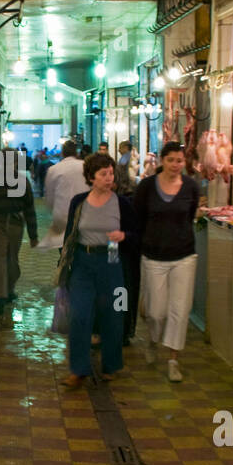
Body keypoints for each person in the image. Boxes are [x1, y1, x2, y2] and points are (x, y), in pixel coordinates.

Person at [59, 154, 138, 387]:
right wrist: (64, 261)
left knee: (114, 313)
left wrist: (124, 236)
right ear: (91, 177)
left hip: (112, 259)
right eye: (103, 174)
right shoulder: (79, 201)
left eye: (111, 173)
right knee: (80, 315)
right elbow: (70, 234)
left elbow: (136, 233)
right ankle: (78, 369)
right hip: (84, 259)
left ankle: (111, 364)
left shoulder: (121, 203)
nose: (108, 178)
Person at [132, 142, 200, 382]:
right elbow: (137, 218)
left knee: (179, 310)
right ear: (162, 161)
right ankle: (152, 340)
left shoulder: (191, 186)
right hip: (153, 255)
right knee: (156, 311)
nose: (175, 165)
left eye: (179, 161)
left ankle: (173, 359)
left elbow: (190, 216)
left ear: (184, 163)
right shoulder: (147, 187)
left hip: (184, 255)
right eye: (170, 160)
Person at [0, 150, 39, 317]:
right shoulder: (22, 181)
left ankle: (0, 298)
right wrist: (33, 236)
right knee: (12, 259)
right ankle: (9, 290)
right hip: (16, 223)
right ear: (16, 163)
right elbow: (29, 209)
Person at [42, 140, 87, 248]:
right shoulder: (86, 166)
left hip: (62, 214)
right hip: (84, 212)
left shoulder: (53, 169)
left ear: (62, 152)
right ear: (76, 152)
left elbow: (50, 196)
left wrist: (52, 209)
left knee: (64, 247)